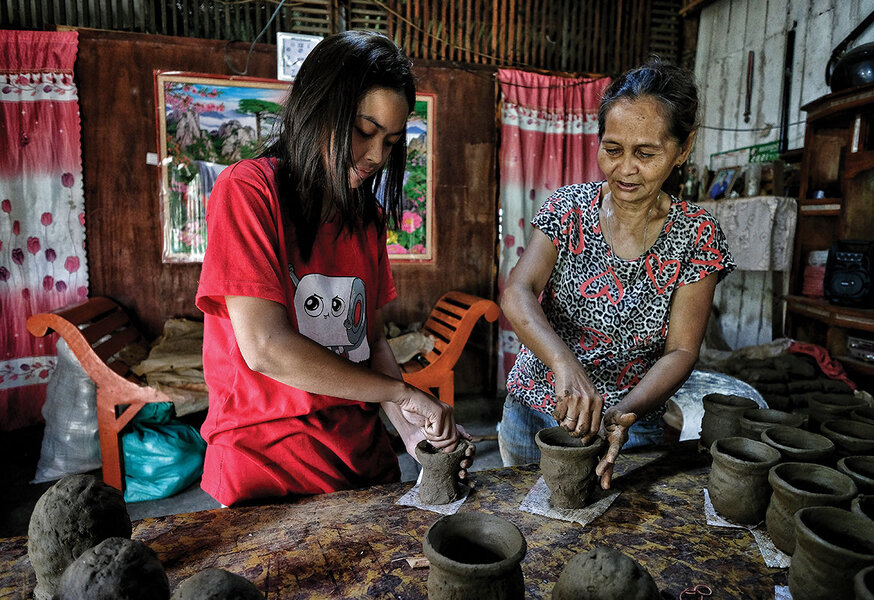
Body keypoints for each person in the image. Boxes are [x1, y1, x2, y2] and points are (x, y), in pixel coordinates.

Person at [195, 31, 469, 507]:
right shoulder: (248, 192)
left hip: (359, 458)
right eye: (364, 131)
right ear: (319, 107)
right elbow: (265, 348)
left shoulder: (365, 218)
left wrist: (411, 433)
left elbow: (373, 342)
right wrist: (401, 392)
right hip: (265, 467)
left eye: (390, 141)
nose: (377, 157)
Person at [498, 59, 735, 489]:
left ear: (683, 149)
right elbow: (517, 290)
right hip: (534, 405)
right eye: (612, 149)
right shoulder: (569, 208)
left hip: (628, 423)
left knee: (611, 535)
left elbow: (681, 350)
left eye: (645, 153)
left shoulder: (697, 234)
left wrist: (622, 412)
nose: (625, 169)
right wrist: (564, 364)